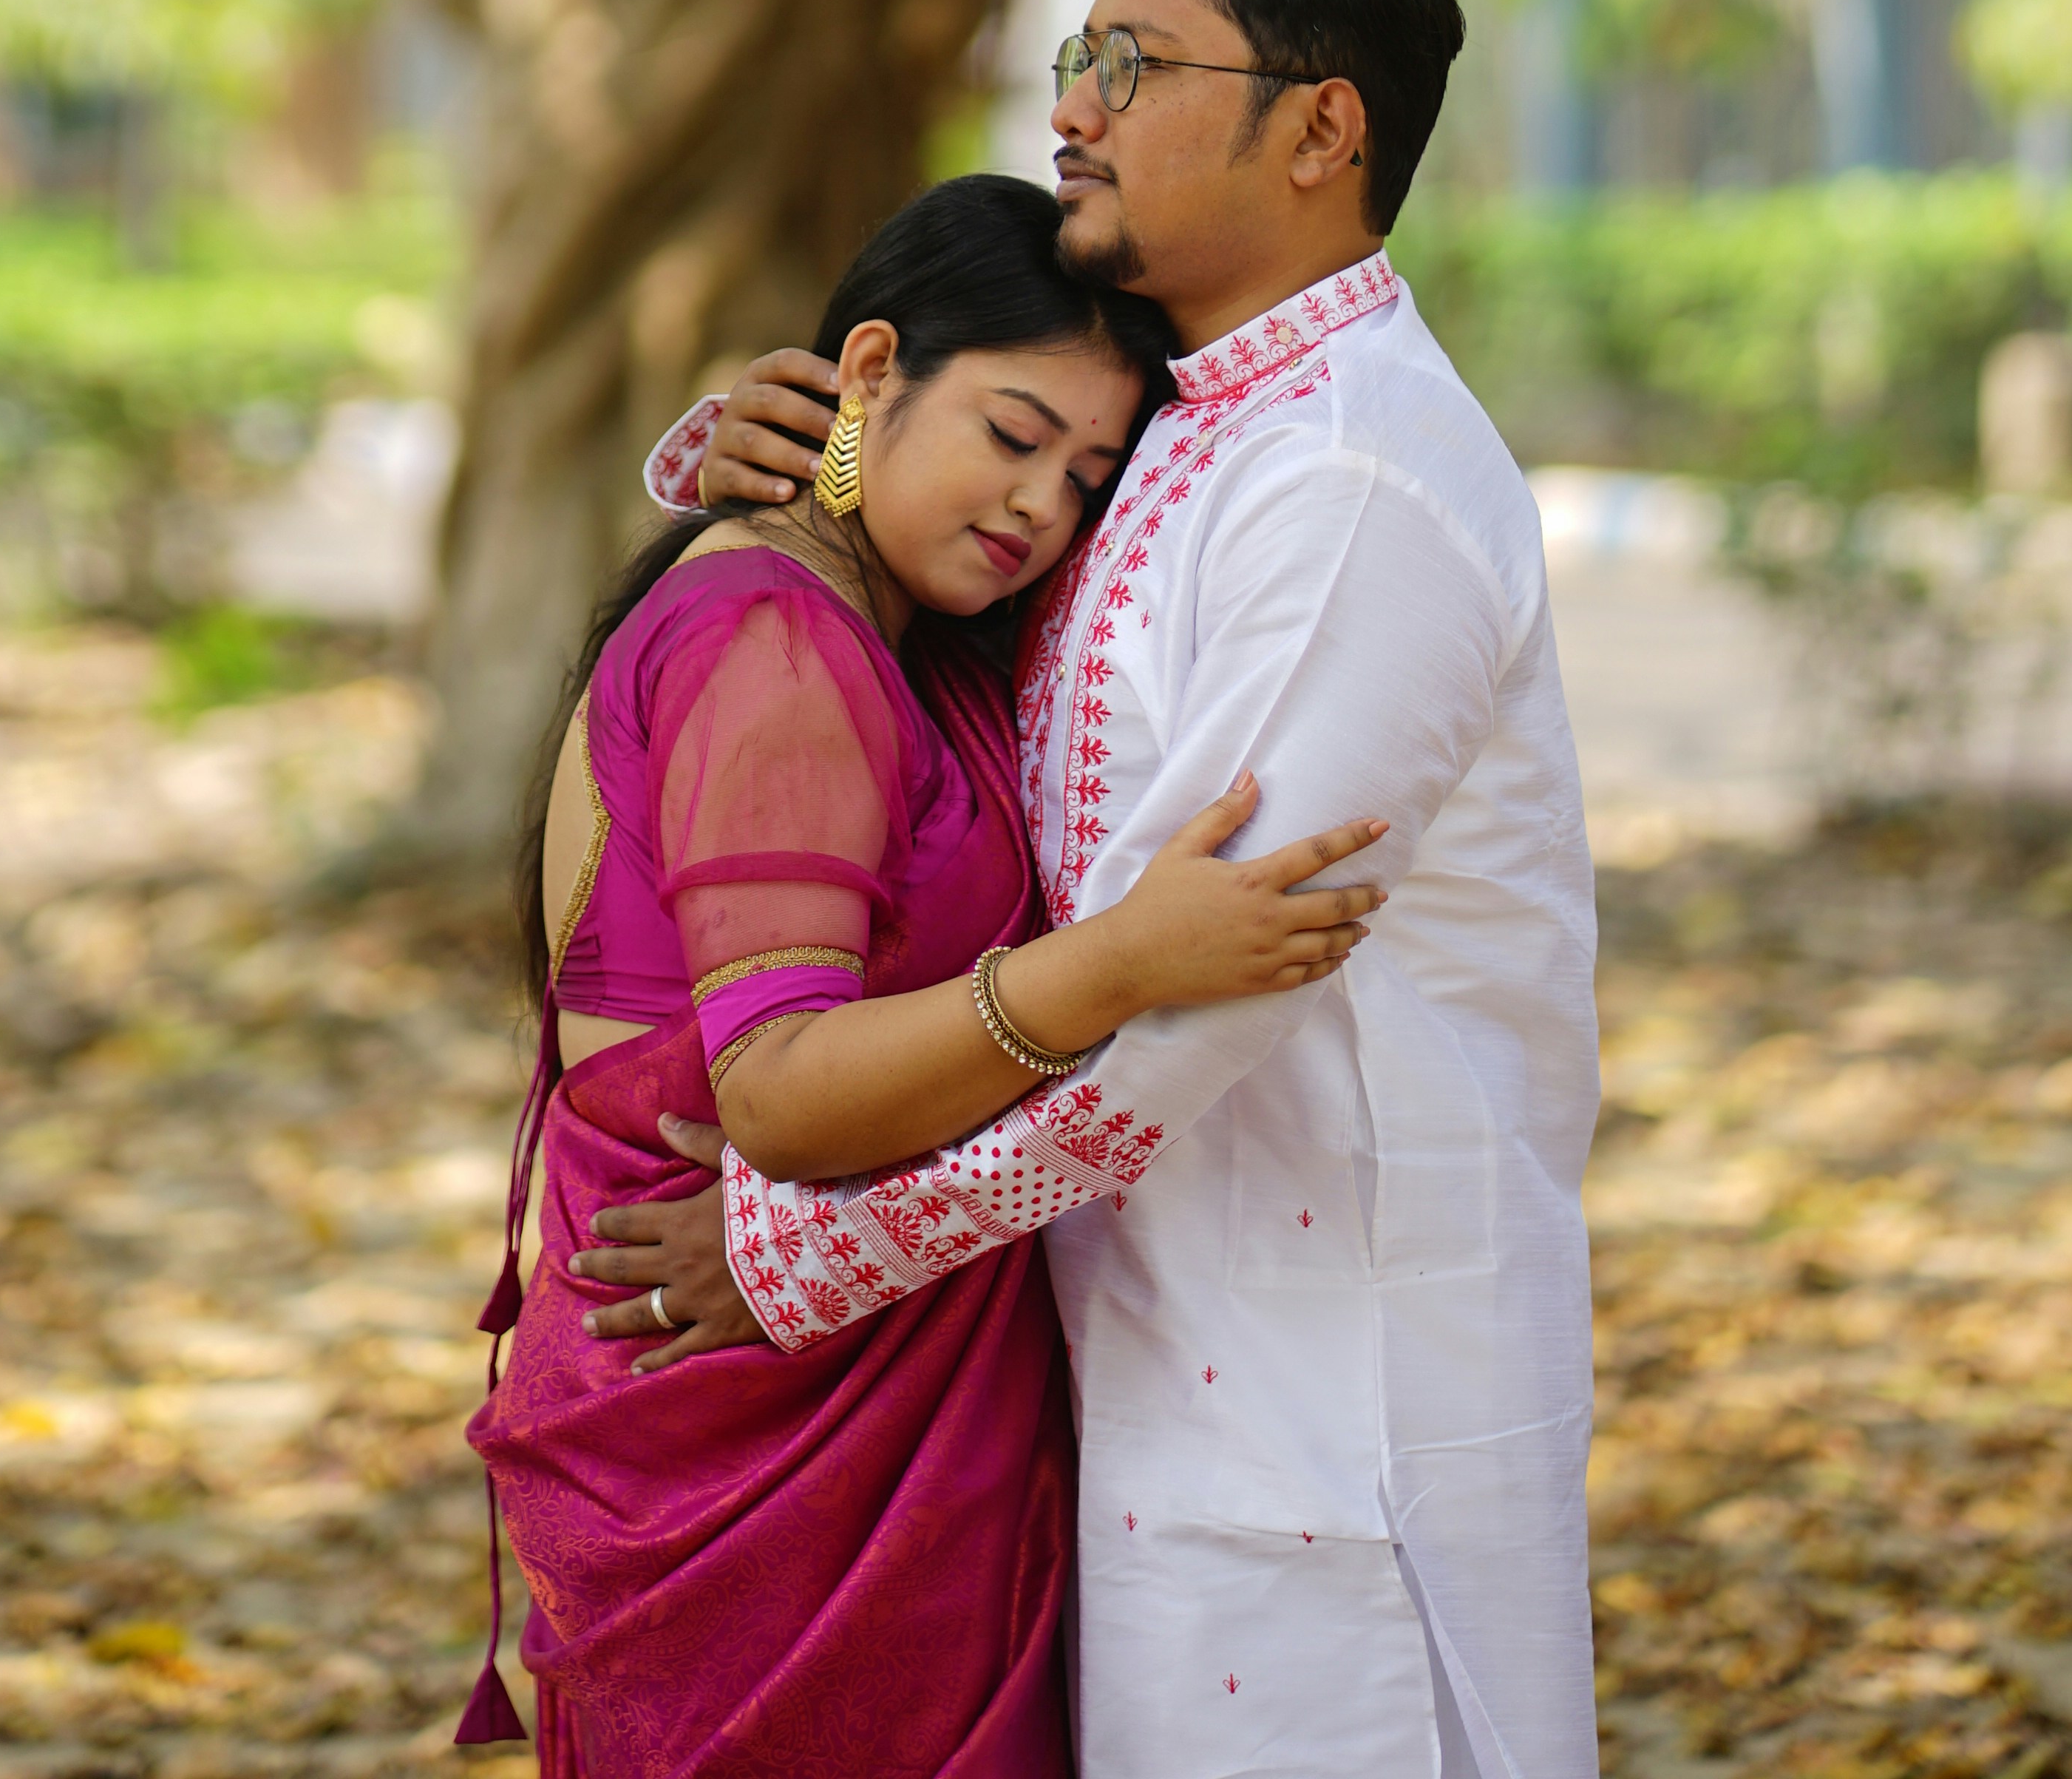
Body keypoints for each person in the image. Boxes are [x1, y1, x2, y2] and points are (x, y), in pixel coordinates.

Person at [577, 0, 1601, 1779]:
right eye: (1078, 54)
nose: (1070, 109)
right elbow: (955, 681)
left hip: (1324, 1416)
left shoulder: (1353, 486)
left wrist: (798, 1259)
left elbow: (1194, 1010)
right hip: (1124, 1378)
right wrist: (765, 484)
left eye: (1133, 66)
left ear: (1320, 130)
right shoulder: (1177, 418)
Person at [464, 169, 1387, 1775]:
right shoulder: (777, 642)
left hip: (857, 1393)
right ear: (873, 369)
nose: (1040, 506)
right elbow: (785, 1100)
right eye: (1012, 434)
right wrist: (1120, 965)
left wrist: (768, 447)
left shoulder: (876, 618)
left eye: (1089, 476)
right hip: (737, 1428)